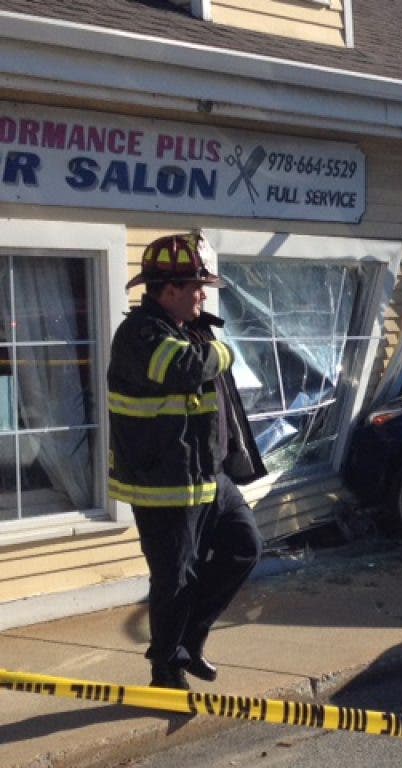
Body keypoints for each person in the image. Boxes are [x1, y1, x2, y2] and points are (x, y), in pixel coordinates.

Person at [108, 233, 267, 690]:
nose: (203, 295)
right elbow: (183, 368)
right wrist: (224, 351)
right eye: (197, 286)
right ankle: (166, 670)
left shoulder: (189, 329)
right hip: (164, 485)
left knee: (245, 546)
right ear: (169, 289)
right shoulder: (140, 334)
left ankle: (190, 638)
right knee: (175, 578)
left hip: (209, 476)